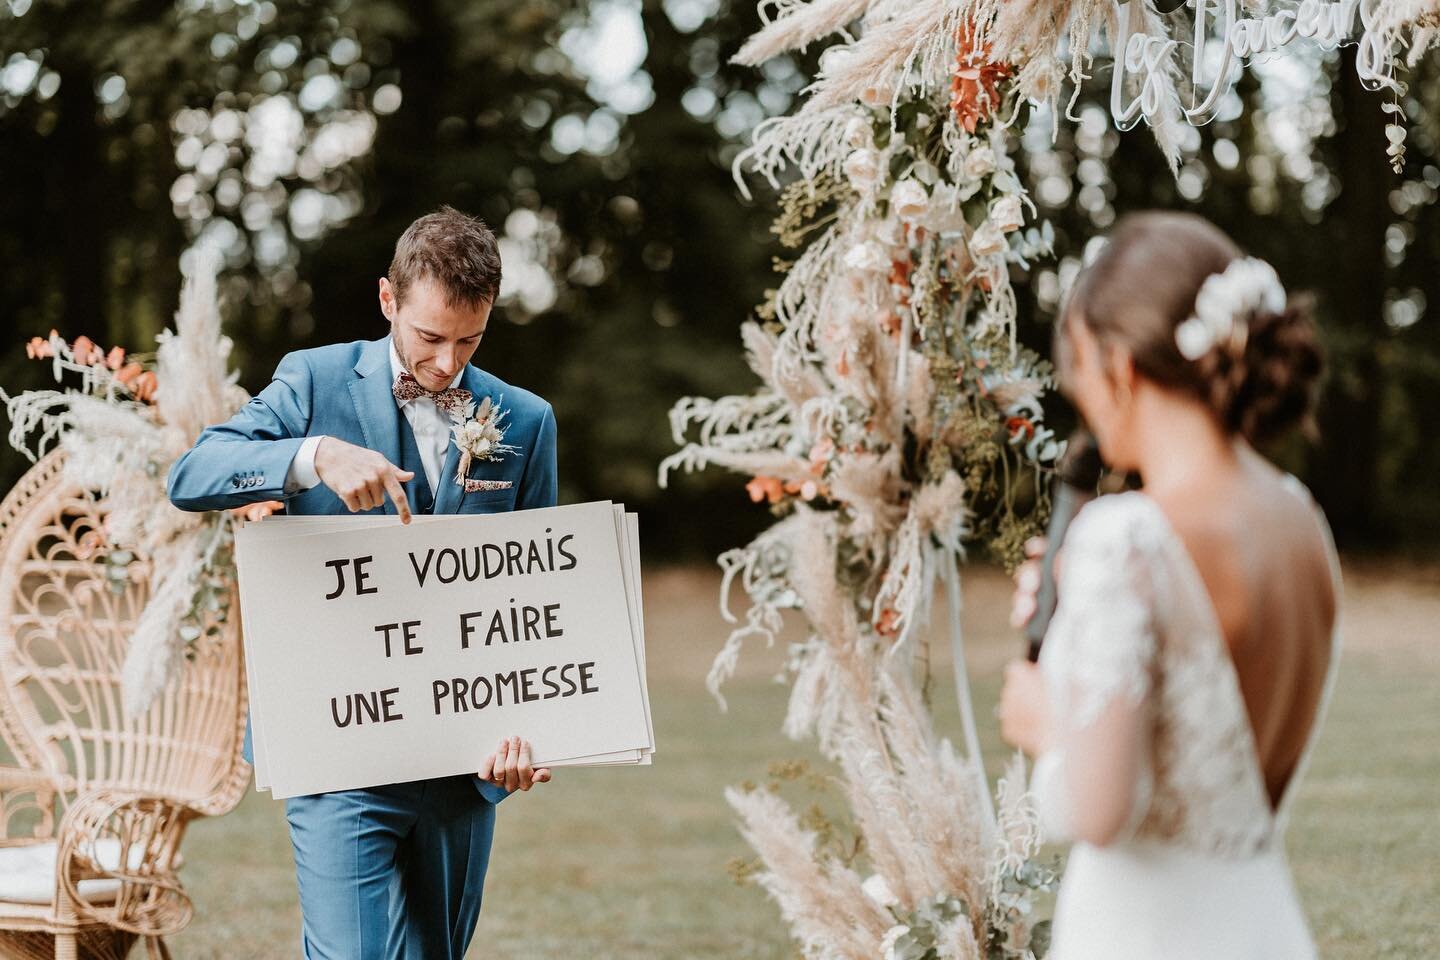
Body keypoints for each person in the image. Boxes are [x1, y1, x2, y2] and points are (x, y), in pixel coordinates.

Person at [167, 206, 556, 960]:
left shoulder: (525, 420)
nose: (447, 364)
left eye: (469, 340)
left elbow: (533, 599)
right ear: (388, 301)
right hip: (336, 743)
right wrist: (311, 457)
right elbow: (192, 474)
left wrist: (525, 732)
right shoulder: (312, 381)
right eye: (429, 338)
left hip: (460, 760)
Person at [999, 211, 1339, 959]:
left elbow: (1100, 811)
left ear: (1117, 365)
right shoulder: (1301, 520)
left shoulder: (1122, 538)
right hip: (1264, 926)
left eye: (1078, 375)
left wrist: (1045, 720)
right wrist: (1081, 629)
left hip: (1145, 934)